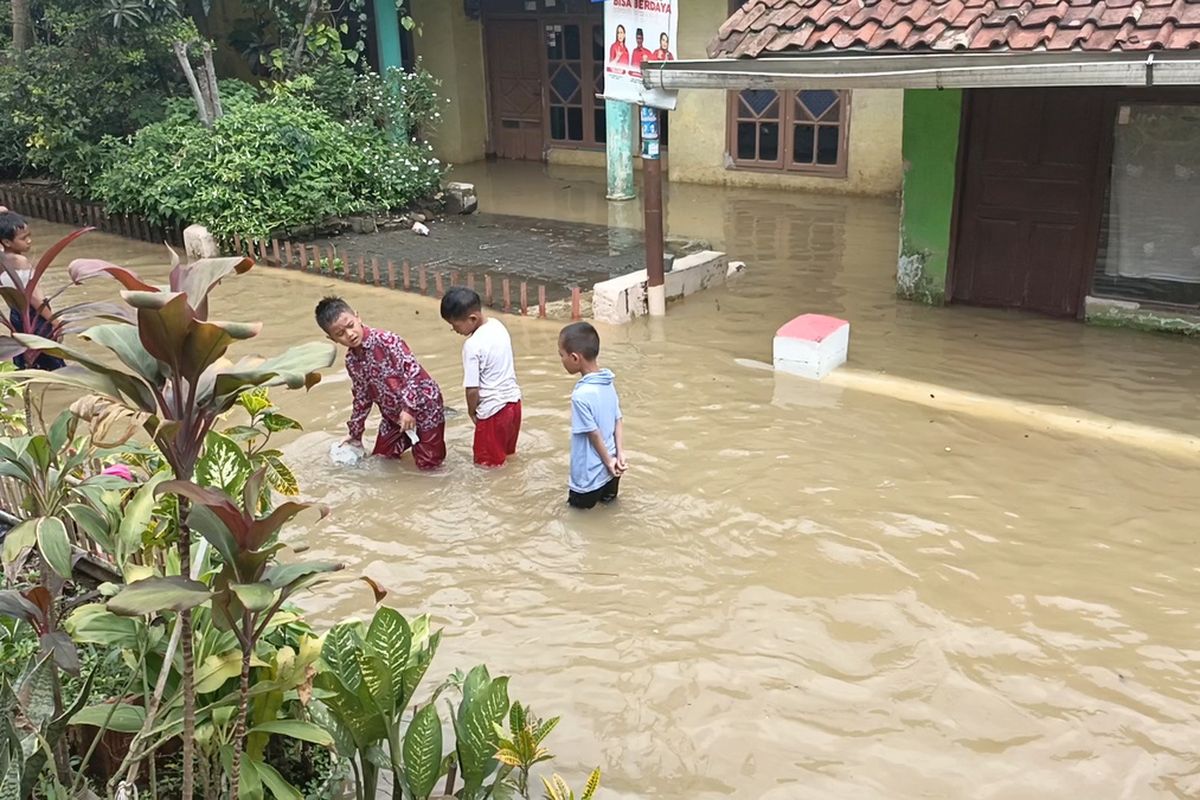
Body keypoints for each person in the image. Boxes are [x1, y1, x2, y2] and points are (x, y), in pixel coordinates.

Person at [315, 296, 446, 470]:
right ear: (332, 338)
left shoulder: (387, 340)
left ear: (358, 317)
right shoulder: (352, 361)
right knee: (382, 459)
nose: (350, 334)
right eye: (340, 334)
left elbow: (413, 373)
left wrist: (409, 409)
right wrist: (355, 433)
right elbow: (362, 398)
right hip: (393, 416)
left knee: (429, 465)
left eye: (351, 325)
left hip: (425, 407)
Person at [439, 287, 522, 467]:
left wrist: (471, 411)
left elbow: (472, 389)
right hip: (514, 405)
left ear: (472, 319)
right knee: (508, 457)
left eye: (455, 325)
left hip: (493, 411)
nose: (454, 330)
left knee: (486, 467)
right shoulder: (498, 325)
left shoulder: (472, 345)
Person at [558, 322, 625, 509]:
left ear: (574, 358)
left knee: (577, 518)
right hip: (613, 471)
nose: (561, 360)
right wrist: (619, 455)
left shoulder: (580, 395)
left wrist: (607, 461)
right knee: (609, 509)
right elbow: (618, 420)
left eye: (561, 355)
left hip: (588, 477)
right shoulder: (608, 381)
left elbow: (593, 434)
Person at [0, 211, 64, 371]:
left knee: (25, 360)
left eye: (29, 235)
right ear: (6, 242)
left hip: (16, 315)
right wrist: (55, 322)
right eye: (23, 238)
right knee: (53, 364)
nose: (29, 241)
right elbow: (34, 298)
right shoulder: (20, 260)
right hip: (35, 316)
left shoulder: (2, 259)